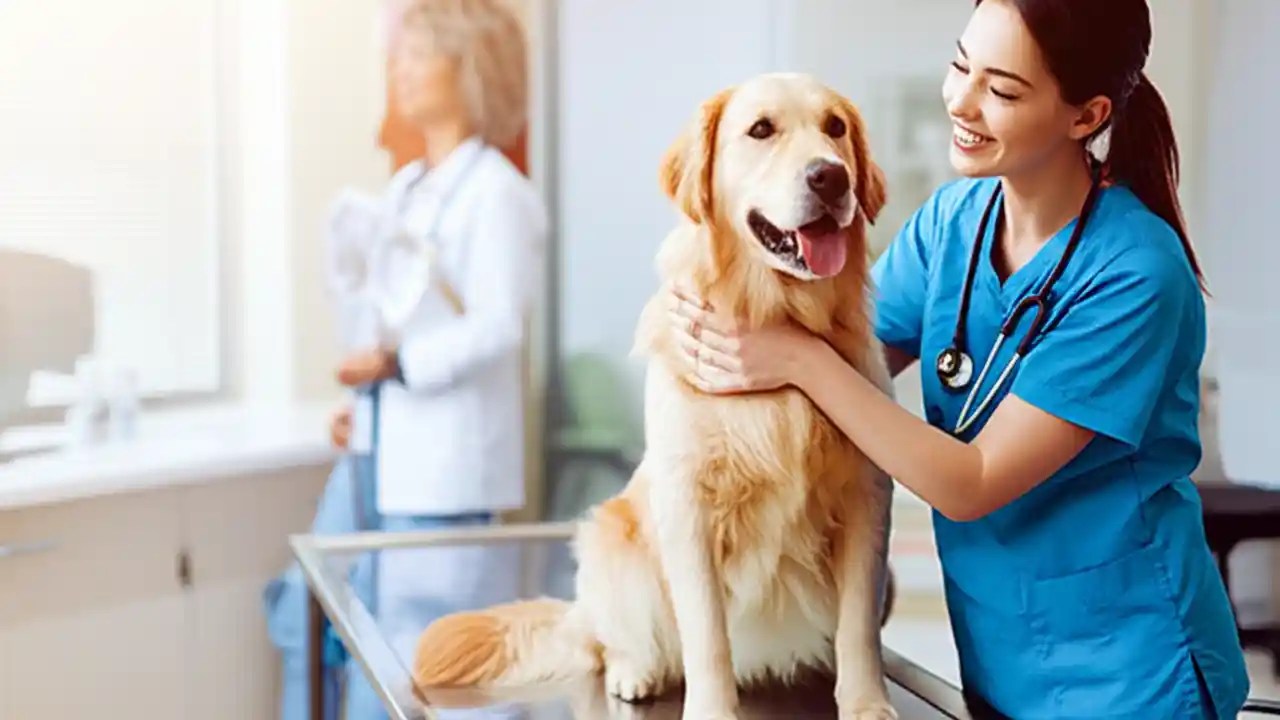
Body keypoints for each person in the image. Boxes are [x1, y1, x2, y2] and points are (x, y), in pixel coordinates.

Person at [667, 0, 1252, 717]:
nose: (962, 102)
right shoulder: (955, 224)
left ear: (1086, 115)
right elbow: (838, 352)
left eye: (1002, 90)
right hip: (1001, 656)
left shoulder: (1135, 275)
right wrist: (712, 318)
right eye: (960, 65)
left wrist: (794, 359)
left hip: (1131, 674)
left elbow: (969, 481)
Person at [263, 0, 544, 718]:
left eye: (420, 54)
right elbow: (387, 320)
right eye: (400, 55)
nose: (402, 70)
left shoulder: (499, 195)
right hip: (375, 452)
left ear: (469, 66)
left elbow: (498, 325)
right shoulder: (405, 190)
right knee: (308, 608)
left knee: (421, 659)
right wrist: (364, 401)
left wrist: (396, 366)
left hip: (445, 474)